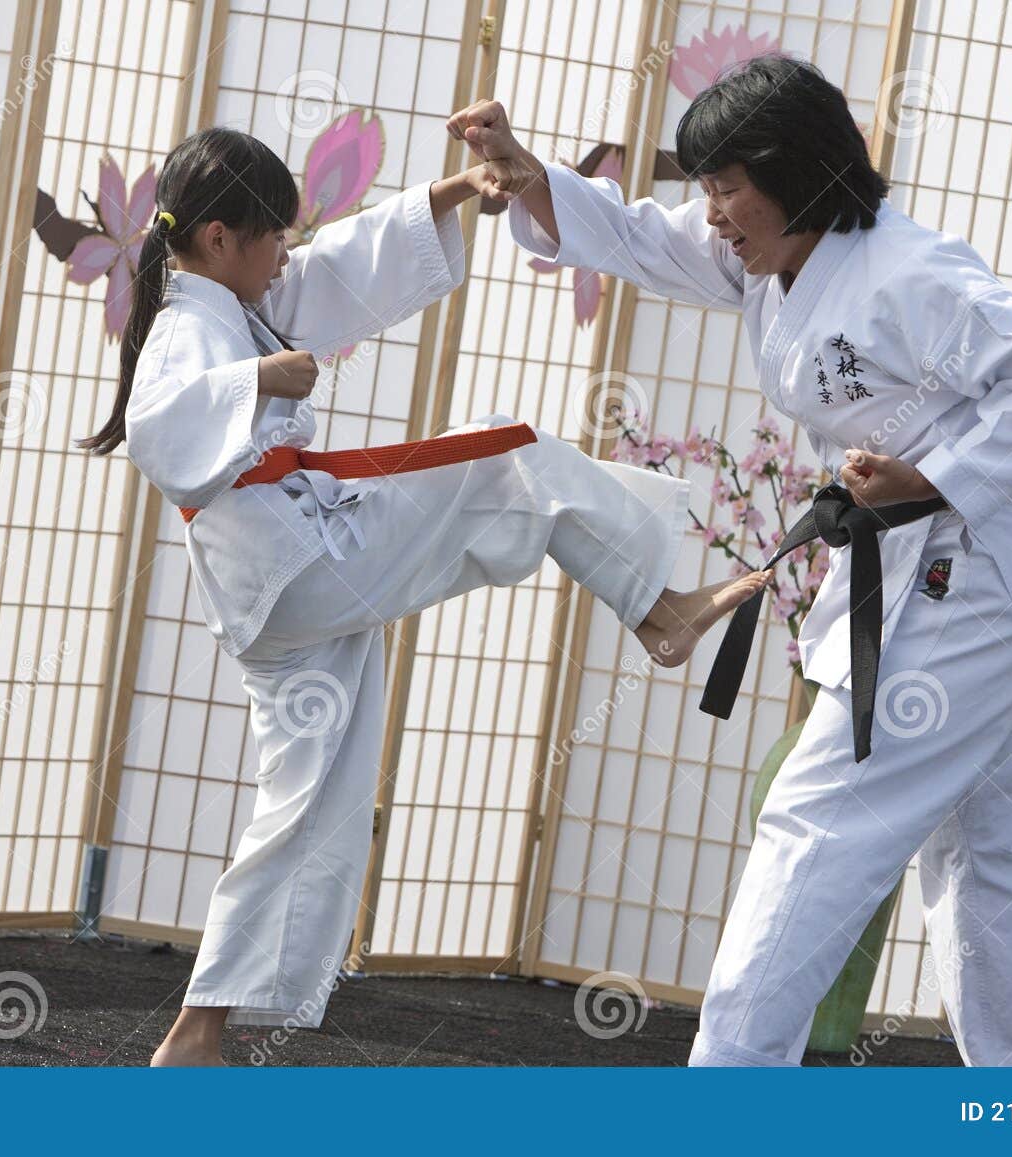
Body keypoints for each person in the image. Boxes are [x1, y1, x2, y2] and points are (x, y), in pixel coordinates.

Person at [77, 127, 773, 1065]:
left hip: (278, 595)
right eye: (271, 236)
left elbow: (331, 270)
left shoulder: (231, 295)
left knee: (307, 797)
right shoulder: (192, 326)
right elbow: (165, 431)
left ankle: (197, 1031)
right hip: (300, 565)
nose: (286, 251)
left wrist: (447, 194)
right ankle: (658, 607)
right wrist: (259, 376)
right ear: (214, 239)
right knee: (511, 452)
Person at [452, 51, 1012, 1067]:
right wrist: (531, 176)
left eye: (723, 184)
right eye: (702, 185)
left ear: (792, 172)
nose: (707, 209)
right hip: (963, 588)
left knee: (815, 827)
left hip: (962, 584)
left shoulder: (909, 272)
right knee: (988, 861)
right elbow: (634, 235)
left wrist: (930, 480)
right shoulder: (769, 255)